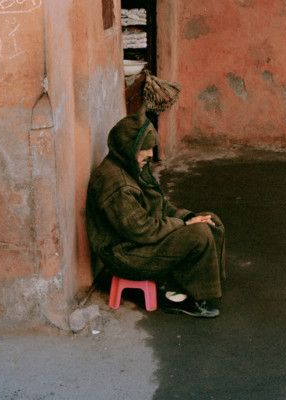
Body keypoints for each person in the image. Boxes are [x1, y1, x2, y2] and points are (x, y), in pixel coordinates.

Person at [86, 112, 226, 318]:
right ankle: (175, 299)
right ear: (128, 147)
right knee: (199, 235)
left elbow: (159, 205)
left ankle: (195, 286)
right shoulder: (116, 185)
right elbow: (141, 230)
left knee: (211, 220)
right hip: (125, 255)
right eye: (144, 148)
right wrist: (183, 225)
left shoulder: (131, 166)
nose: (150, 154)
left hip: (139, 241)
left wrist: (187, 217)